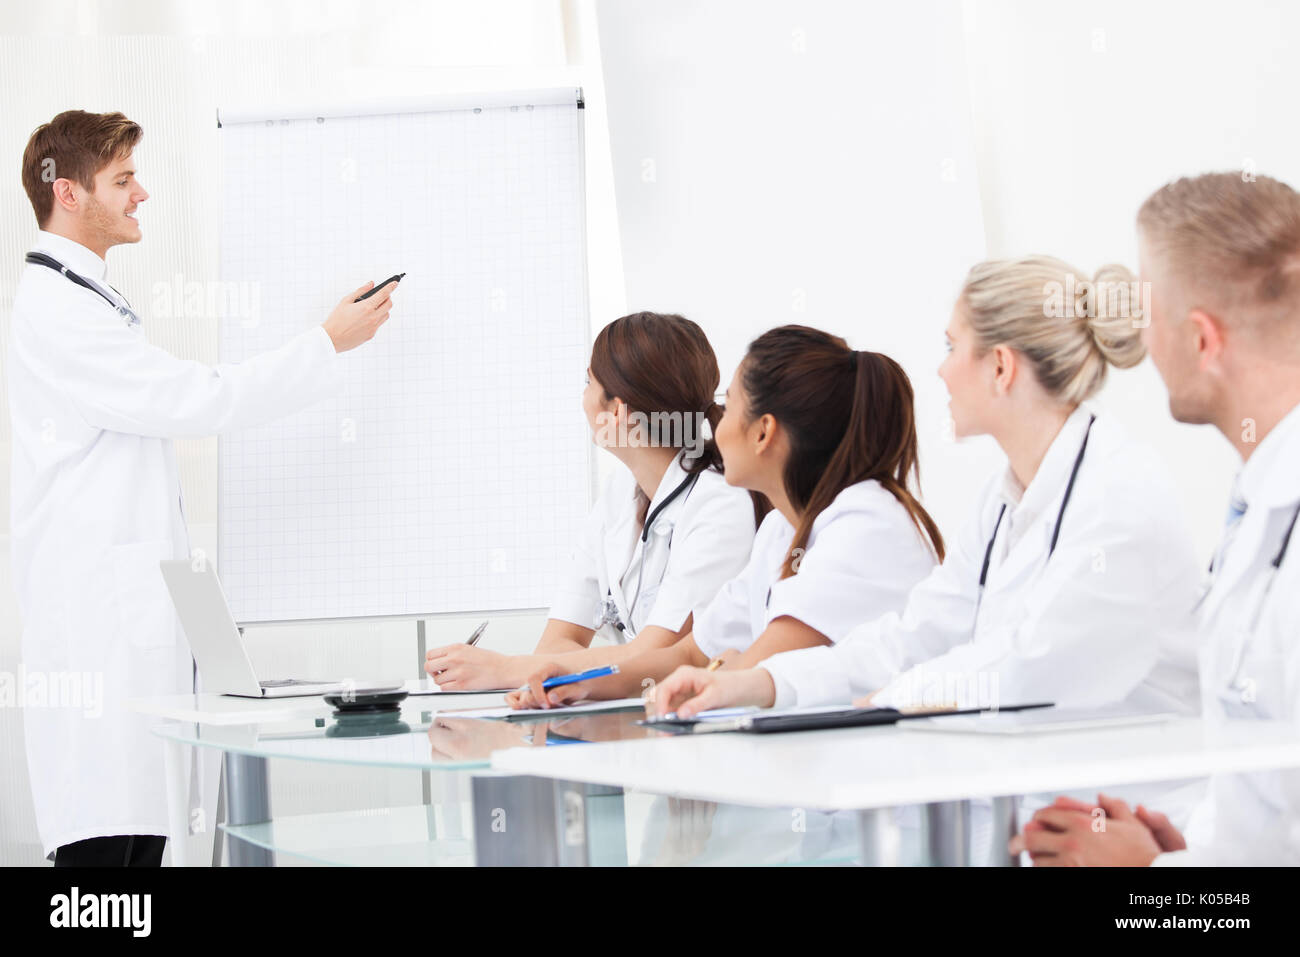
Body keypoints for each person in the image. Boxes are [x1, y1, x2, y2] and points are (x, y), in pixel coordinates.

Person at [8, 110, 395, 866]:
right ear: (69, 195)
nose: (142, 194)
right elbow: (199, 400)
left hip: (124, 632)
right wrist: (325, 344)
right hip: (100, 642)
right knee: (104, 869)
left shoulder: (85, 300)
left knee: (134, 843)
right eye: (123, 180)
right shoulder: (58, 311)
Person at [652, 256, 1201, 722]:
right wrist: (758, 684)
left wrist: (887, 700)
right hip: (1035, 802)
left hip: (1142, 821)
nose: (939, 371)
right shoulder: (1004, 499)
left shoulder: (1116, 494)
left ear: (1001, 367)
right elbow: (914, 635)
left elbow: (1026, 669)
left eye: (951, 345)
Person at [1012, 172, 1300, 866]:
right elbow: (1269, 802)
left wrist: (1149, 875)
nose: (1138, 332)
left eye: (1148, 304)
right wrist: (1180, 840)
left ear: (1201, 339)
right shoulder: (1260, 503)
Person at [509, 323, 945, 709]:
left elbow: (751, 671)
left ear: (763, 432)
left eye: (729, 407)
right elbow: (689, 656)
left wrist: (724, 669)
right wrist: (579, 683)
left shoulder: (866, 522)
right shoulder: (780, 530)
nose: (713, 427)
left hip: (865, 784)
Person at [423, 312, 758, 690]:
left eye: (588, 382)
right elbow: (558, 641)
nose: (583, 398)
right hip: (634, 712)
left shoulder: (719, 504)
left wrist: (506, 669)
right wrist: (532, 671)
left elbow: (655, 656)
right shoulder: (620, 493)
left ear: (617, 410)